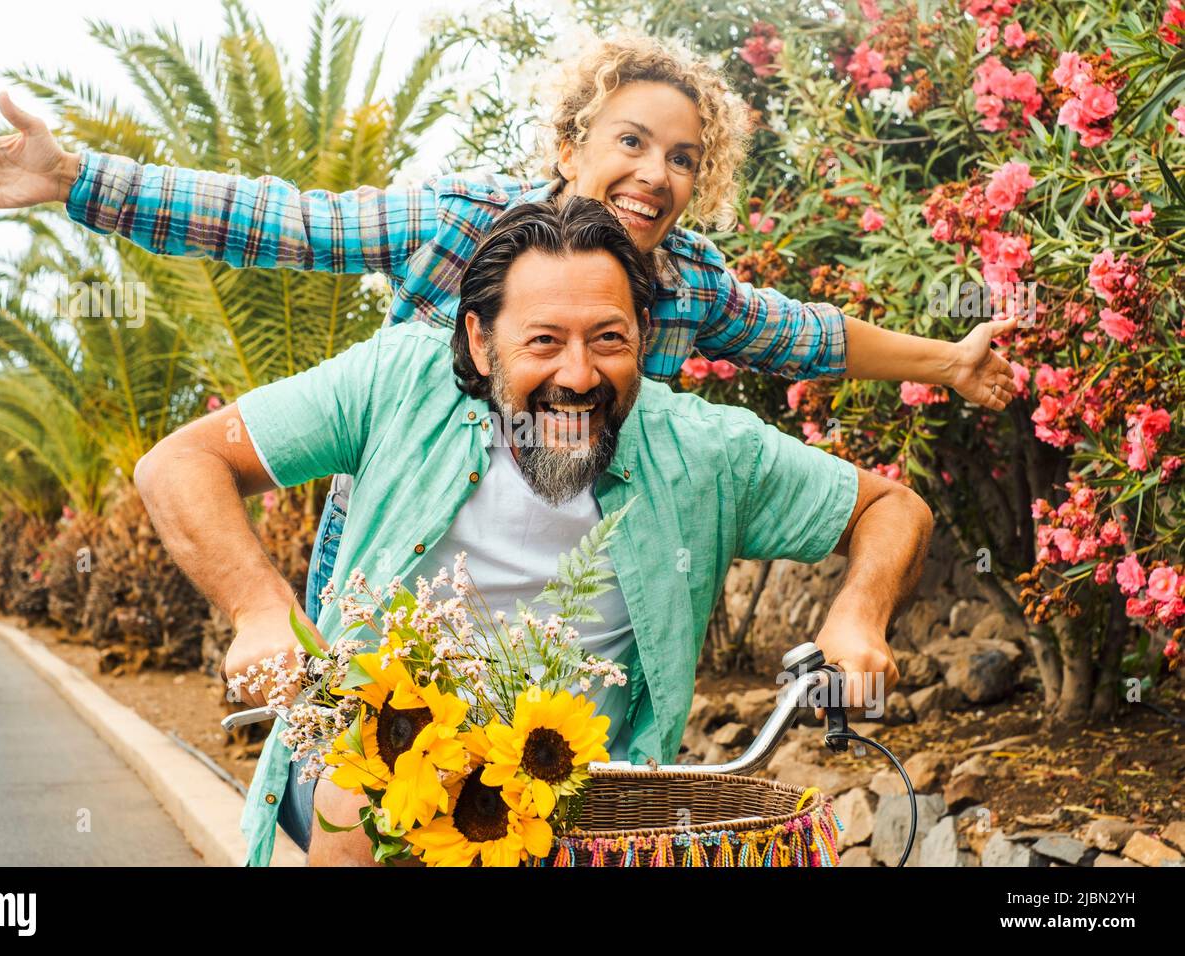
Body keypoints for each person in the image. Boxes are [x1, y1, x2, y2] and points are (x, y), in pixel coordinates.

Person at [0, 33, 1014, 621]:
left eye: (684, 158)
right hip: (397, 586)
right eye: (632, 141)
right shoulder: (460, 225)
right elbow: (288, 220)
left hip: (568, 612)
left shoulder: (684, 284)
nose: (655, 174)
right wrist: (89, 180)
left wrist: (950, 359)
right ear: (574, 138)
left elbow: (807, 336)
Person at [132, 196, 933, 865]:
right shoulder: (393, 381)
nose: (579, 376)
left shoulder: (705, 449)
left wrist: (857, 612)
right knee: (353, 805)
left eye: (609, 339)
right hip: (375, 766)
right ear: (481, 343)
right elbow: (182, 462)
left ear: (642, 340)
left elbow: (892, 508)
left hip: (579, 806)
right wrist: (259, 608)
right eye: (543, 341)